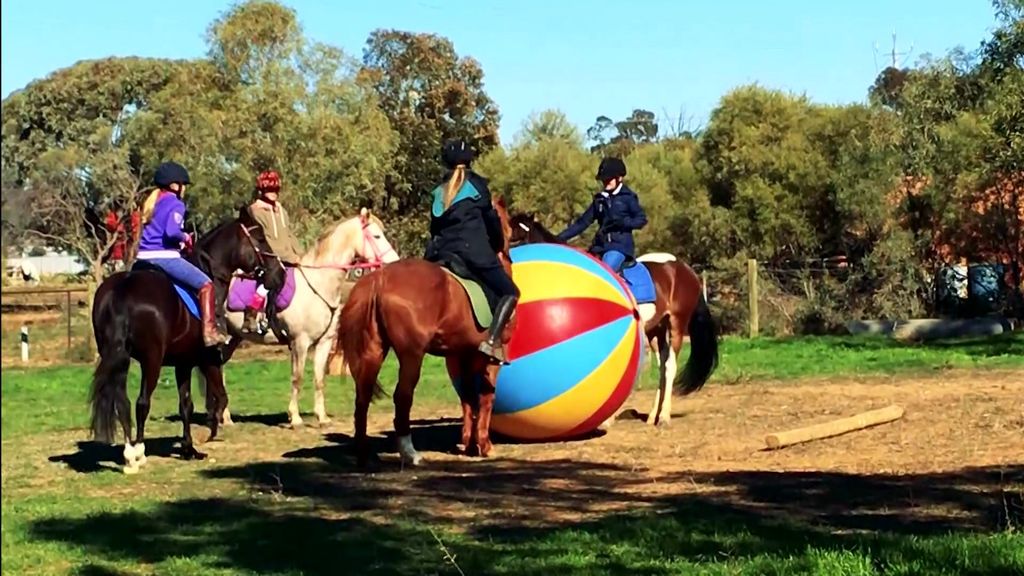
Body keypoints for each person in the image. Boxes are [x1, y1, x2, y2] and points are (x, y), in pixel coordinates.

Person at [424, 138, 518, 364]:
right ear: (469, 160)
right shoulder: (477, 187)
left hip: (440, 253)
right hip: (472, 253)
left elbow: (434, 228)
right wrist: (496, 246)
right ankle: (493, 342)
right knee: (510, 292)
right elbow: (492, 222)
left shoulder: (439, 191)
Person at [136, 161, 224, 347]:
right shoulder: (175, 204)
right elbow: (171, 232)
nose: (184, 189)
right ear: (175, 185)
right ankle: (210, 332)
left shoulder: (153, 202)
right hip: (165, 258)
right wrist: (185, 237)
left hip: (143, 257)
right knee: (207, 285)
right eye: (183, 185)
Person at [556, 157, 648, 274]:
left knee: (603, 273)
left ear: (619, 178)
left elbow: (641, 219)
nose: (605, 182)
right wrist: (558, 238)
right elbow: (582, 223)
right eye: (604, 180)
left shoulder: (628, 198)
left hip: (619, 247)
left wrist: (624, 223)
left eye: (609, 179)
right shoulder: (599, 199)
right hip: (599, 246)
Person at [244, 170, 306, 334]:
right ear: (261, 191)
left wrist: (301, 255)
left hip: (287, 256)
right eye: (269, 190)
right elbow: (265, 240)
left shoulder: (281, 210)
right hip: (266, 257)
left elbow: (289, 234)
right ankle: (253, 312)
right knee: (274, 277)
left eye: (275, 190)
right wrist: (289, 257)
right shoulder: (255, 211)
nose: (273, 194)